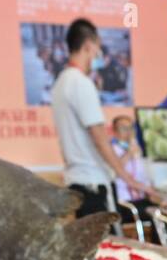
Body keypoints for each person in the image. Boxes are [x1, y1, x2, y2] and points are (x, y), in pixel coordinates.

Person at [49, 18, 152, 217]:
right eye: (98, 47)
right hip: (94, 185)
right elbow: (100, 140)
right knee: (106, 246)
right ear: (88, 46)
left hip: (77, 182)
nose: (99, 53)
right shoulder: (80, 83)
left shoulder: (61, 83)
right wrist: (130, 180)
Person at [110, 115, 156, 236]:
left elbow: (142, 176)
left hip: (140, 199)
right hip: (125, 203)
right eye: (124, 128)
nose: (128, 132)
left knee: (162, 212)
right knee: (154, 213)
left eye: (131, 128)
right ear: (114, 131)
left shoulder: (137, 151)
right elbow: (116, 170)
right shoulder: (112, 150)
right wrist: (129, 152)